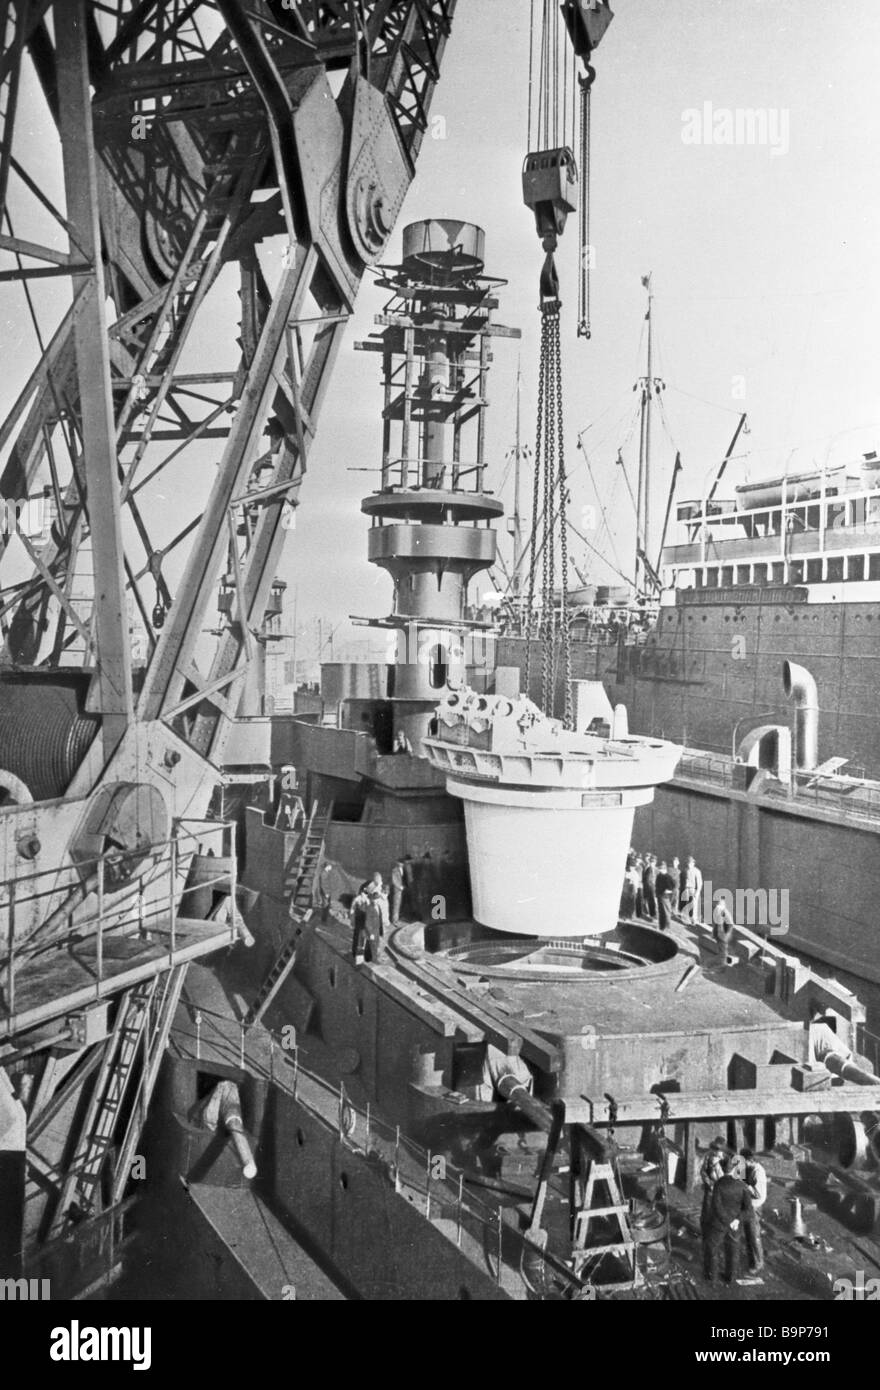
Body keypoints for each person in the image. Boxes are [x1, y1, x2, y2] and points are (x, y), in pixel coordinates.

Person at [703, 1152, 754, 1285]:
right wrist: (736, 1220)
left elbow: (716, 1206)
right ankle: (730, 1278)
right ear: (734, 1170)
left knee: (713, 1249)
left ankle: (712, 1279)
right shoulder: (742, 1186)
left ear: (723, 1169)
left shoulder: (719, 1184)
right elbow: (749, 1210)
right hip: (735, 1226)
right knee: (733, 1251)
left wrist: (727, 1221)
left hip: (719, 1224)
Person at [741, 1147, 767, 1273]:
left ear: (748, 1160)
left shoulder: (758, 1172)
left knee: (753, 1235)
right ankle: (752, 1260)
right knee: (748, 1234)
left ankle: (758, 1263)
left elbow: (758, 1194)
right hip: (748, 1205)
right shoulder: (749, 1168)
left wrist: (745, 1187)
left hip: (755, 1206)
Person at [699, 1136, 727, 1234]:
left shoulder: (727, 1160)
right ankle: (705, 1231)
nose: (715, 1151)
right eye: (714, 1148)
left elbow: (728, 1177)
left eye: (718, 1149)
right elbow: (703, 1171)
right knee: (707, 1210)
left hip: (722, 1190)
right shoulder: (708, 1156)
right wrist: (709, 1183)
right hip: (710, 1188)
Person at [363, 880, 389, 964]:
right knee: (372, 945)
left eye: (377, 899)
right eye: (375, 900)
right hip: (372, 931)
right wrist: (370, 933)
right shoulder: (370, 908)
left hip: (377, 929)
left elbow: (380, 918)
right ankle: (373, 959)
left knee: (374, 945)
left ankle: (368, 958)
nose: (376, 901)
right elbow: (367, 922)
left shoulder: (377, 907)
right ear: (372, 900)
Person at [350, 884, 371, 963]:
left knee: (363, 939)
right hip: (358, 921)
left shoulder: (368, 901)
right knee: (357, 938)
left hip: (364, 922)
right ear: (361, 892)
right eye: (363, 892)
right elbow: (352, 911)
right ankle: (354, 953)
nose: (364, 894)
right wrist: (352, 921)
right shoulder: (357, 900)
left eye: (366, 893)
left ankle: (363, 956)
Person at [712, 895, 736, 963]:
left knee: (723, 950)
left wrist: (724, 934)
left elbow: (723, 923)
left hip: (723, 932)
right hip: (722, 932)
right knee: (721, 949)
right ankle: (722, 962)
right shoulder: (720, 909)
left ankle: (722, 964)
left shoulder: (722, 910)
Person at [680, 855, 703, 923]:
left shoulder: (697, 871)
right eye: (688, 863)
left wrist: (697, 892)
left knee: (694, 905)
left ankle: (694, 919)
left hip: (693, 889)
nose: (689, 864)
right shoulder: (685, 870)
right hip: (686, 889)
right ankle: (686, 919)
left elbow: (699, 883)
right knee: (686, 904)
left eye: (690, 863)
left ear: (693, 863)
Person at [655, 860, 675, 931]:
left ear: (664, 869)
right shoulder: (659, 876)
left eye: (661, 869)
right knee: (661, 912)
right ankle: (661, 926)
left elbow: (672, 887)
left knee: (666, 912)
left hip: (665, 897)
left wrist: (666, 891)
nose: (660, 870)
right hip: (659, 896)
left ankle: (667, 927)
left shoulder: (668, 877)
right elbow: (657, 885)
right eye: (659, 869)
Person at [642, 854, 657, 921]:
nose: (652, 863)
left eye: (653, 862)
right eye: (651, 862)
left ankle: (651, 914)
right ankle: (650, 915)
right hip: (649, 887)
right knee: (649, 901)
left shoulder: (654, 869)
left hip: (652, 887)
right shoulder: (649, 869)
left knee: (650, 901)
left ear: (655, 862)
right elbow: (647, 880)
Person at [390, 859, 405, 926]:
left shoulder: (403, 869)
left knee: (399, 904)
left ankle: (397, 919)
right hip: (397, 890)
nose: (402, 864)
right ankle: (394, 921)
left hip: (402, 889)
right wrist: (399, 887)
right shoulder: (395, 870)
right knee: (396, 905)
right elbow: (394, 881)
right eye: (400, 863)